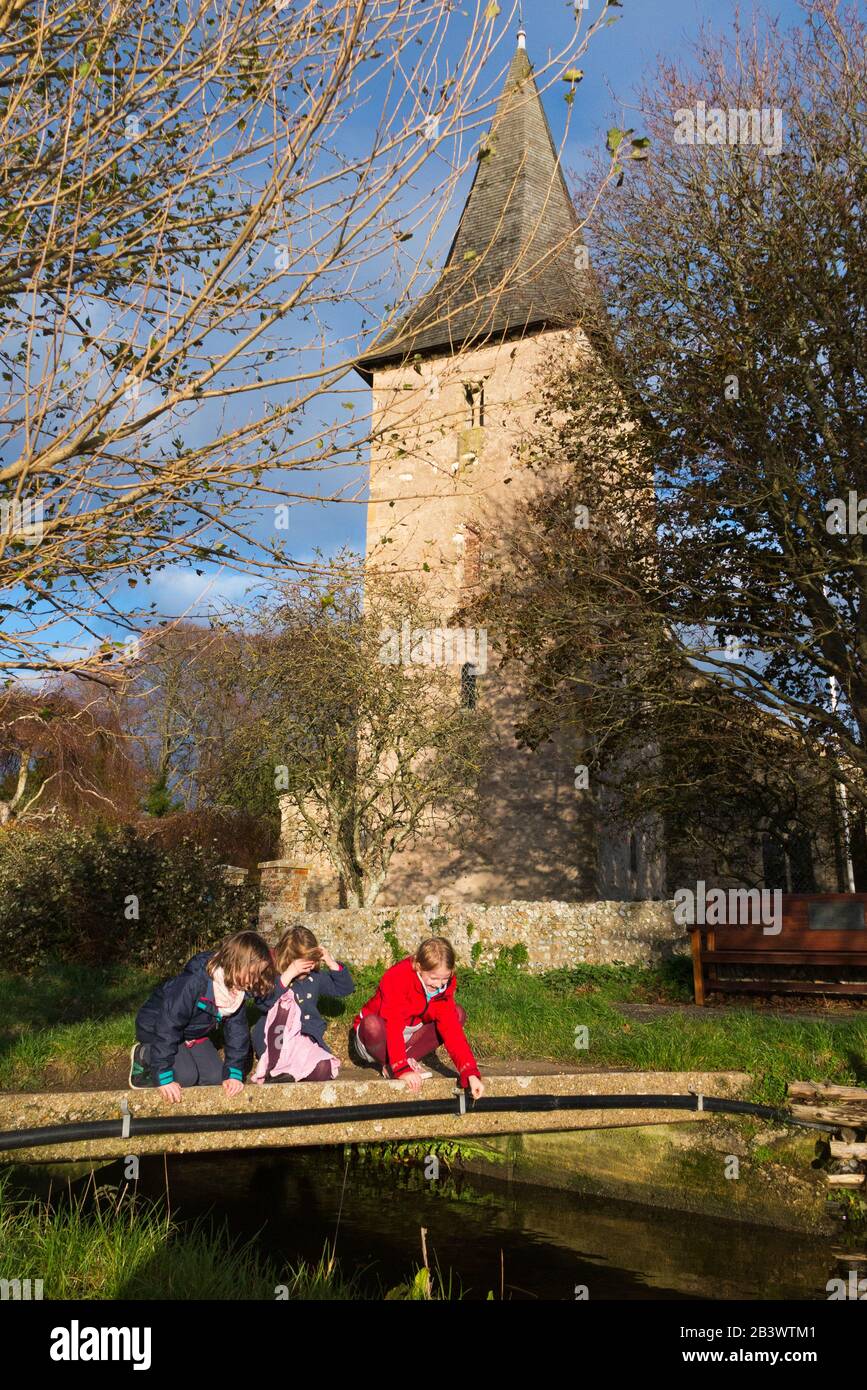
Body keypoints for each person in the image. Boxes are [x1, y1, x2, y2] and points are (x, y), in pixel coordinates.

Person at [129, 930, 275, 1103]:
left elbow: (238, 1034)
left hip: (190, 1032)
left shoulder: (237, 989)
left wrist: (234, 1074)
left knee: (215, 1078)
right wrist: (163, 1074)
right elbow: (168, 1026)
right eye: (252, 973)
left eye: (259, 973)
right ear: (236, 963)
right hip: (156, 1026)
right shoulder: (193, 983)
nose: (255, 980)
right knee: (185, 1076)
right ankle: (144, 1055)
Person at [351, 936, 484, 1098]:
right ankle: (392, 1063)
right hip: (378, 1037)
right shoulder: (397, 977)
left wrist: (470, 1073)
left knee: (456, 1014)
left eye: (445, 979)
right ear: (419, 967)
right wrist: (402, 1069)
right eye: (434, 978)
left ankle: (401, 1061)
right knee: (371, 1024)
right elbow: (392, 1025)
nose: (438, 985)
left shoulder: (443, 987)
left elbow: (452, 1031)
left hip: (410, 1034)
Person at [251, 924, 353, 1060]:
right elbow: (263, 1003)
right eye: (303, 964)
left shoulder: (314, 977)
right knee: (277, 1055)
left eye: (311, 962)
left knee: (322, 1064)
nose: (308, 968)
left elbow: (344, 989)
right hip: (276, 1033)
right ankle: (279, 1068)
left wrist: (331, 962)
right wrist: (288, 975)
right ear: (288, 959)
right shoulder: (275, 976)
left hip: (305, 1034)